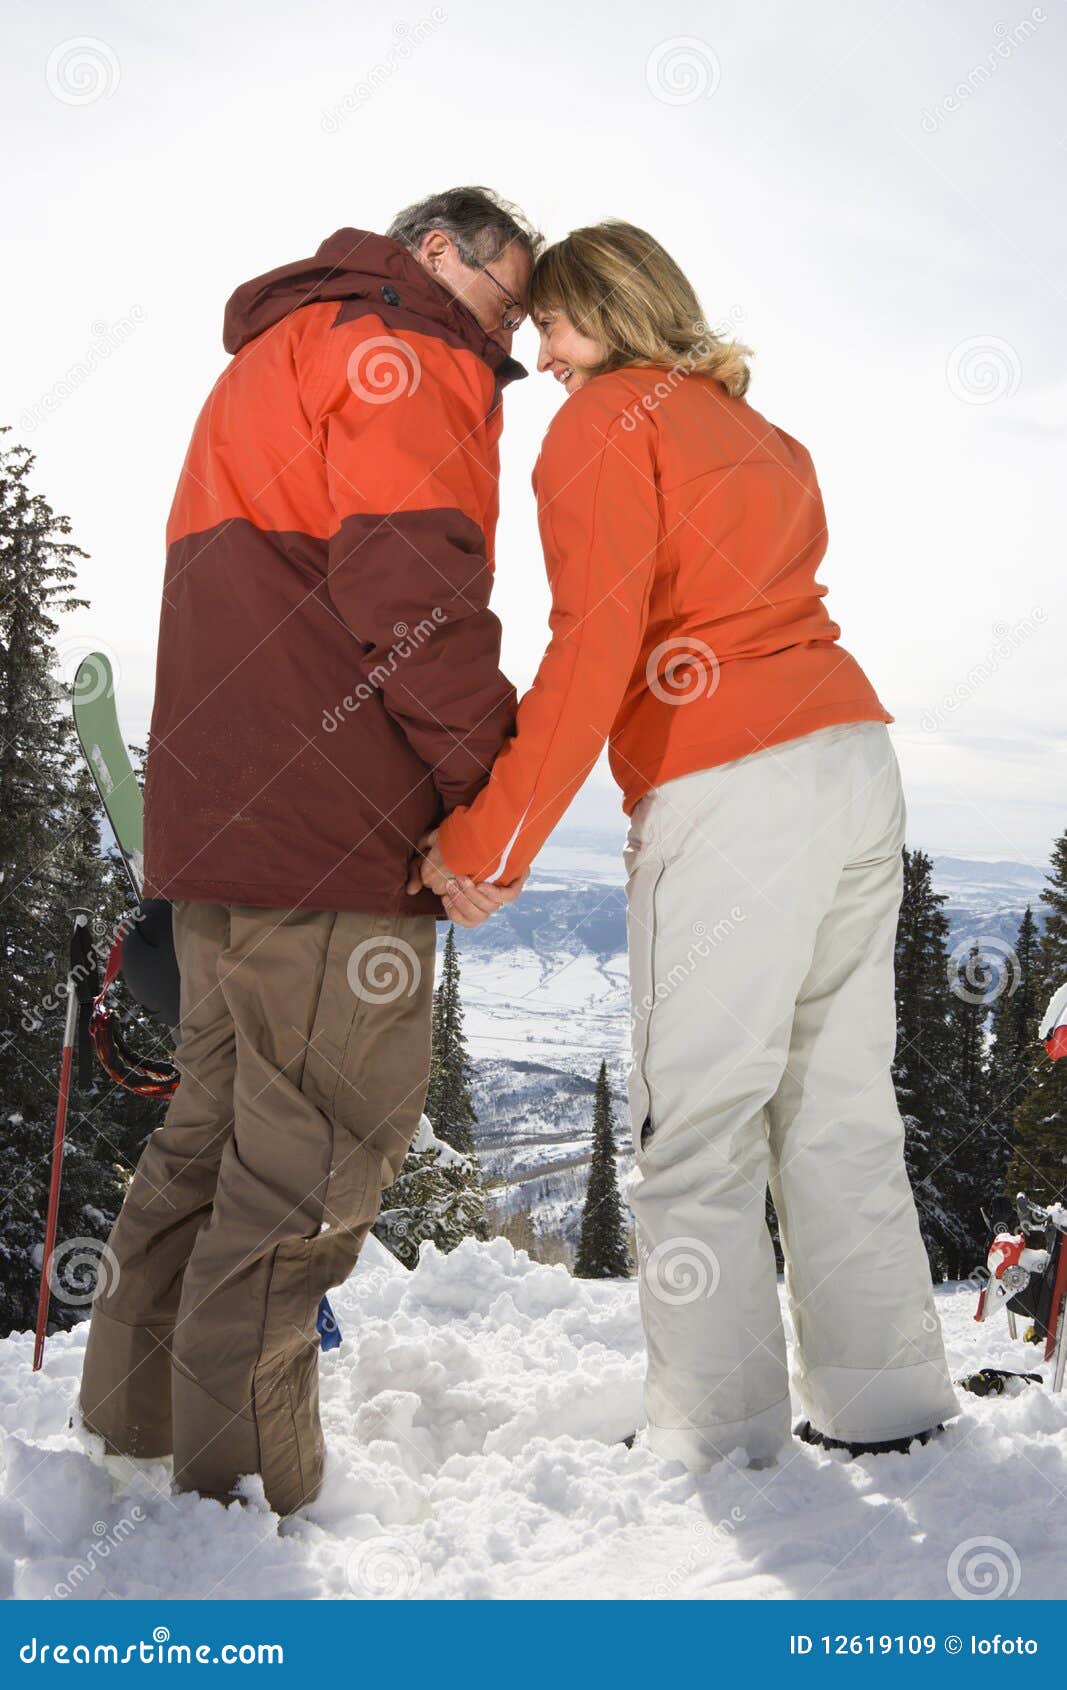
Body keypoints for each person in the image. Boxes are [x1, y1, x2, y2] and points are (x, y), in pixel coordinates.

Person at [411, 220, 961, 1469]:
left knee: (698, 1126)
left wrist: (486, 842)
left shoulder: (603, 421)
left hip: (730, 783)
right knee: (835, 1105)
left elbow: (592, 650)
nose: (539, 356)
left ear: (608, 310)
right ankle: (884, 1403)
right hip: (849, 757)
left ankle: (716, 1436)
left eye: (552, 324)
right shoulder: (762, 434)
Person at [77, 187, 537, 1517]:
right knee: (310, 1164)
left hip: (220, 832)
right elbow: (412, 593)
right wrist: (488, 784)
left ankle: (134, 1429)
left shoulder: (274, 353)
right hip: (331, 838)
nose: (509, 334)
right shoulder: (405, 349)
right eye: (505, 294)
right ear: (435, 252)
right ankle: (244, 1494)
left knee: (210, 1134)